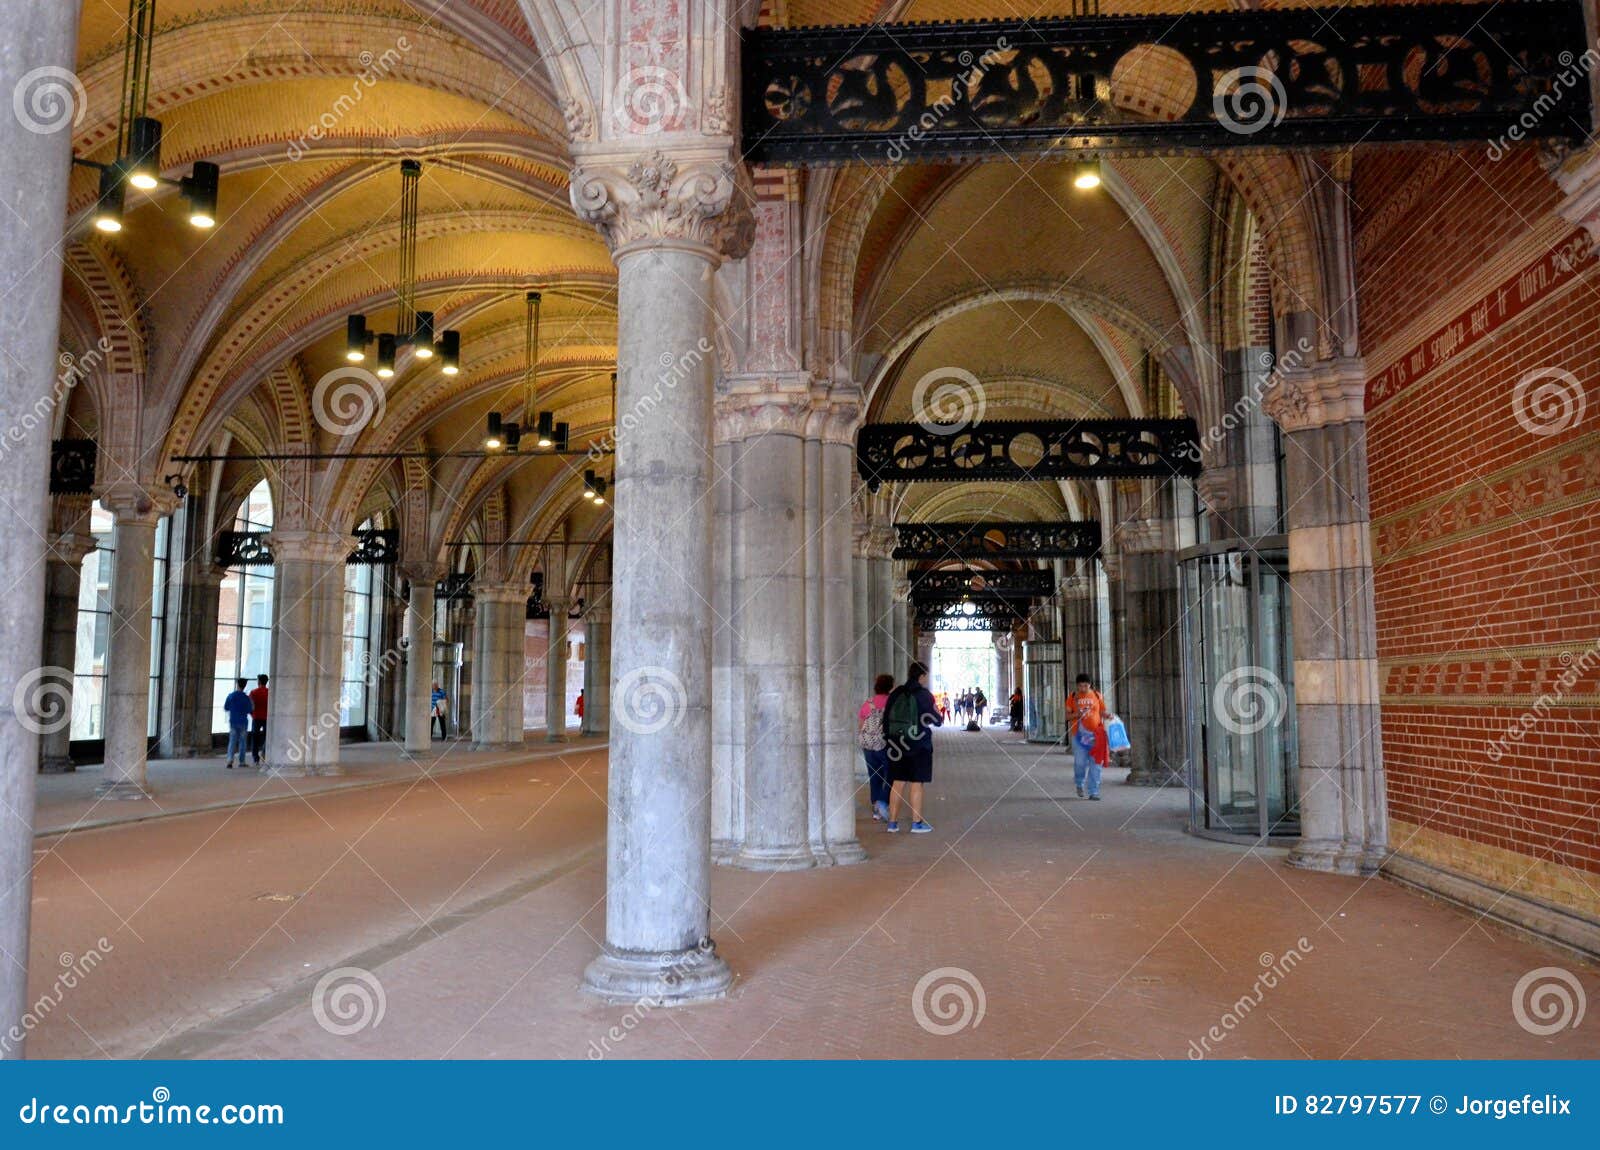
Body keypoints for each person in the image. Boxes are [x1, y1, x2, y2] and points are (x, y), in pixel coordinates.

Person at [882, 661, 942, 833]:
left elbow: (886, 719)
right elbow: (937, 720)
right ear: (922, 676)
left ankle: (892, 823)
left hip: (897, 744)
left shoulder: (896, 693)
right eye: (926, 676)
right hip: (919, 746)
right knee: (917, 782)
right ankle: (916, 823)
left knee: (898, 782)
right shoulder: (924, 695)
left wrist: (889, 741)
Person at [858, 673, 895, 821]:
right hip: (885, 745)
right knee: (890, 775)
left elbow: (860, 725)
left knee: (874, 775)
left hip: (868, 745)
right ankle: (883, 802)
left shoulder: (868, 703)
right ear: (890, 687)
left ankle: (875, 809)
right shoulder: (892, 702)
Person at [1069, 673, 1110, 800]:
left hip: (1096, 737)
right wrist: (1077, 714)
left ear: (1090, 685)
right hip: (1079, 737)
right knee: (1080, 763)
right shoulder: (1073, 697)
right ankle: (1079, 783)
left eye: (1085, 686)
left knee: (1096, 764)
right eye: (1080, 686)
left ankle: (1094, 791)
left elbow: (1102, 712)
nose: (1083, 689)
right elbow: (1067, 716)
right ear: (1077, 686)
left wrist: (1108, 715)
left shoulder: (1097, 695)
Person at [223, 678, 253, 769]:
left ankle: (229, 760)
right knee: (243, 742)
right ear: (245, 686)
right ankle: (242, 761)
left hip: (233, 721)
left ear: (237, 684)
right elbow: (250, 709)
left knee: (232, 741)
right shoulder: (246, 698)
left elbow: (226, 707)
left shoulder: (231, 696)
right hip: (243, 721)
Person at [248, 674, 269, 766]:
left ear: (259, 682)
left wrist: (252, 715)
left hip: (256, 717)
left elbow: (250, 706)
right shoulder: (270, 692)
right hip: (267, 718)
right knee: (267, 738)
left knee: (255, 739)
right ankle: (264, 754)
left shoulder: (253, 692)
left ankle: (255, 758)